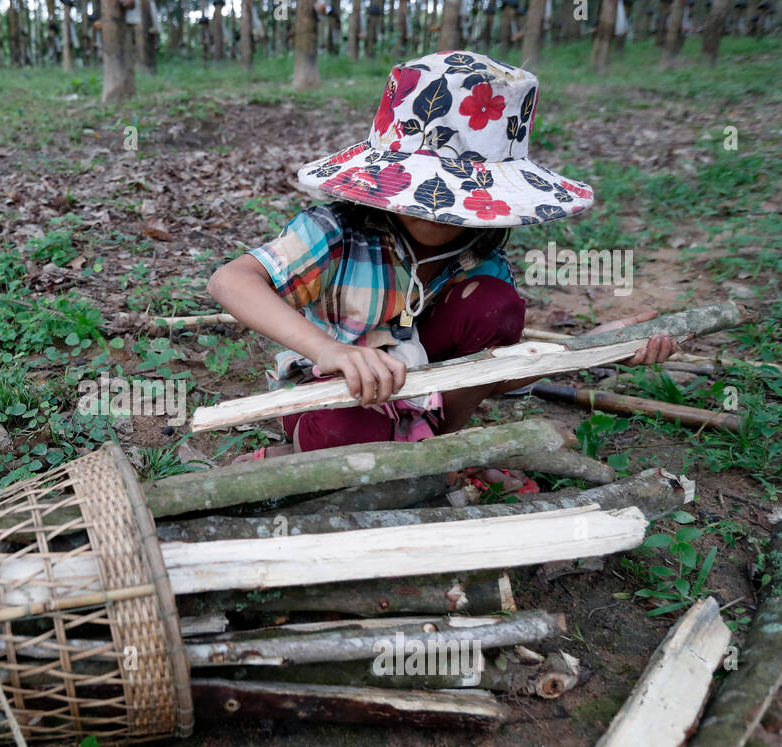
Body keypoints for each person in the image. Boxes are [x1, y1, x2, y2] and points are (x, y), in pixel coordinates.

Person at [207, 51, 677, 463]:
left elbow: (498, 373)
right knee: (350, 429)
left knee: (493, 305)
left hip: (422, 398)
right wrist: (332, 351)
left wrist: (599, 345)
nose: (437, 212)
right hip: (329, 395)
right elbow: (231, 281)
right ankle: (312, 451)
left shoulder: (479, 262)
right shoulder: (336, 233)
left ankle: (430, 444)